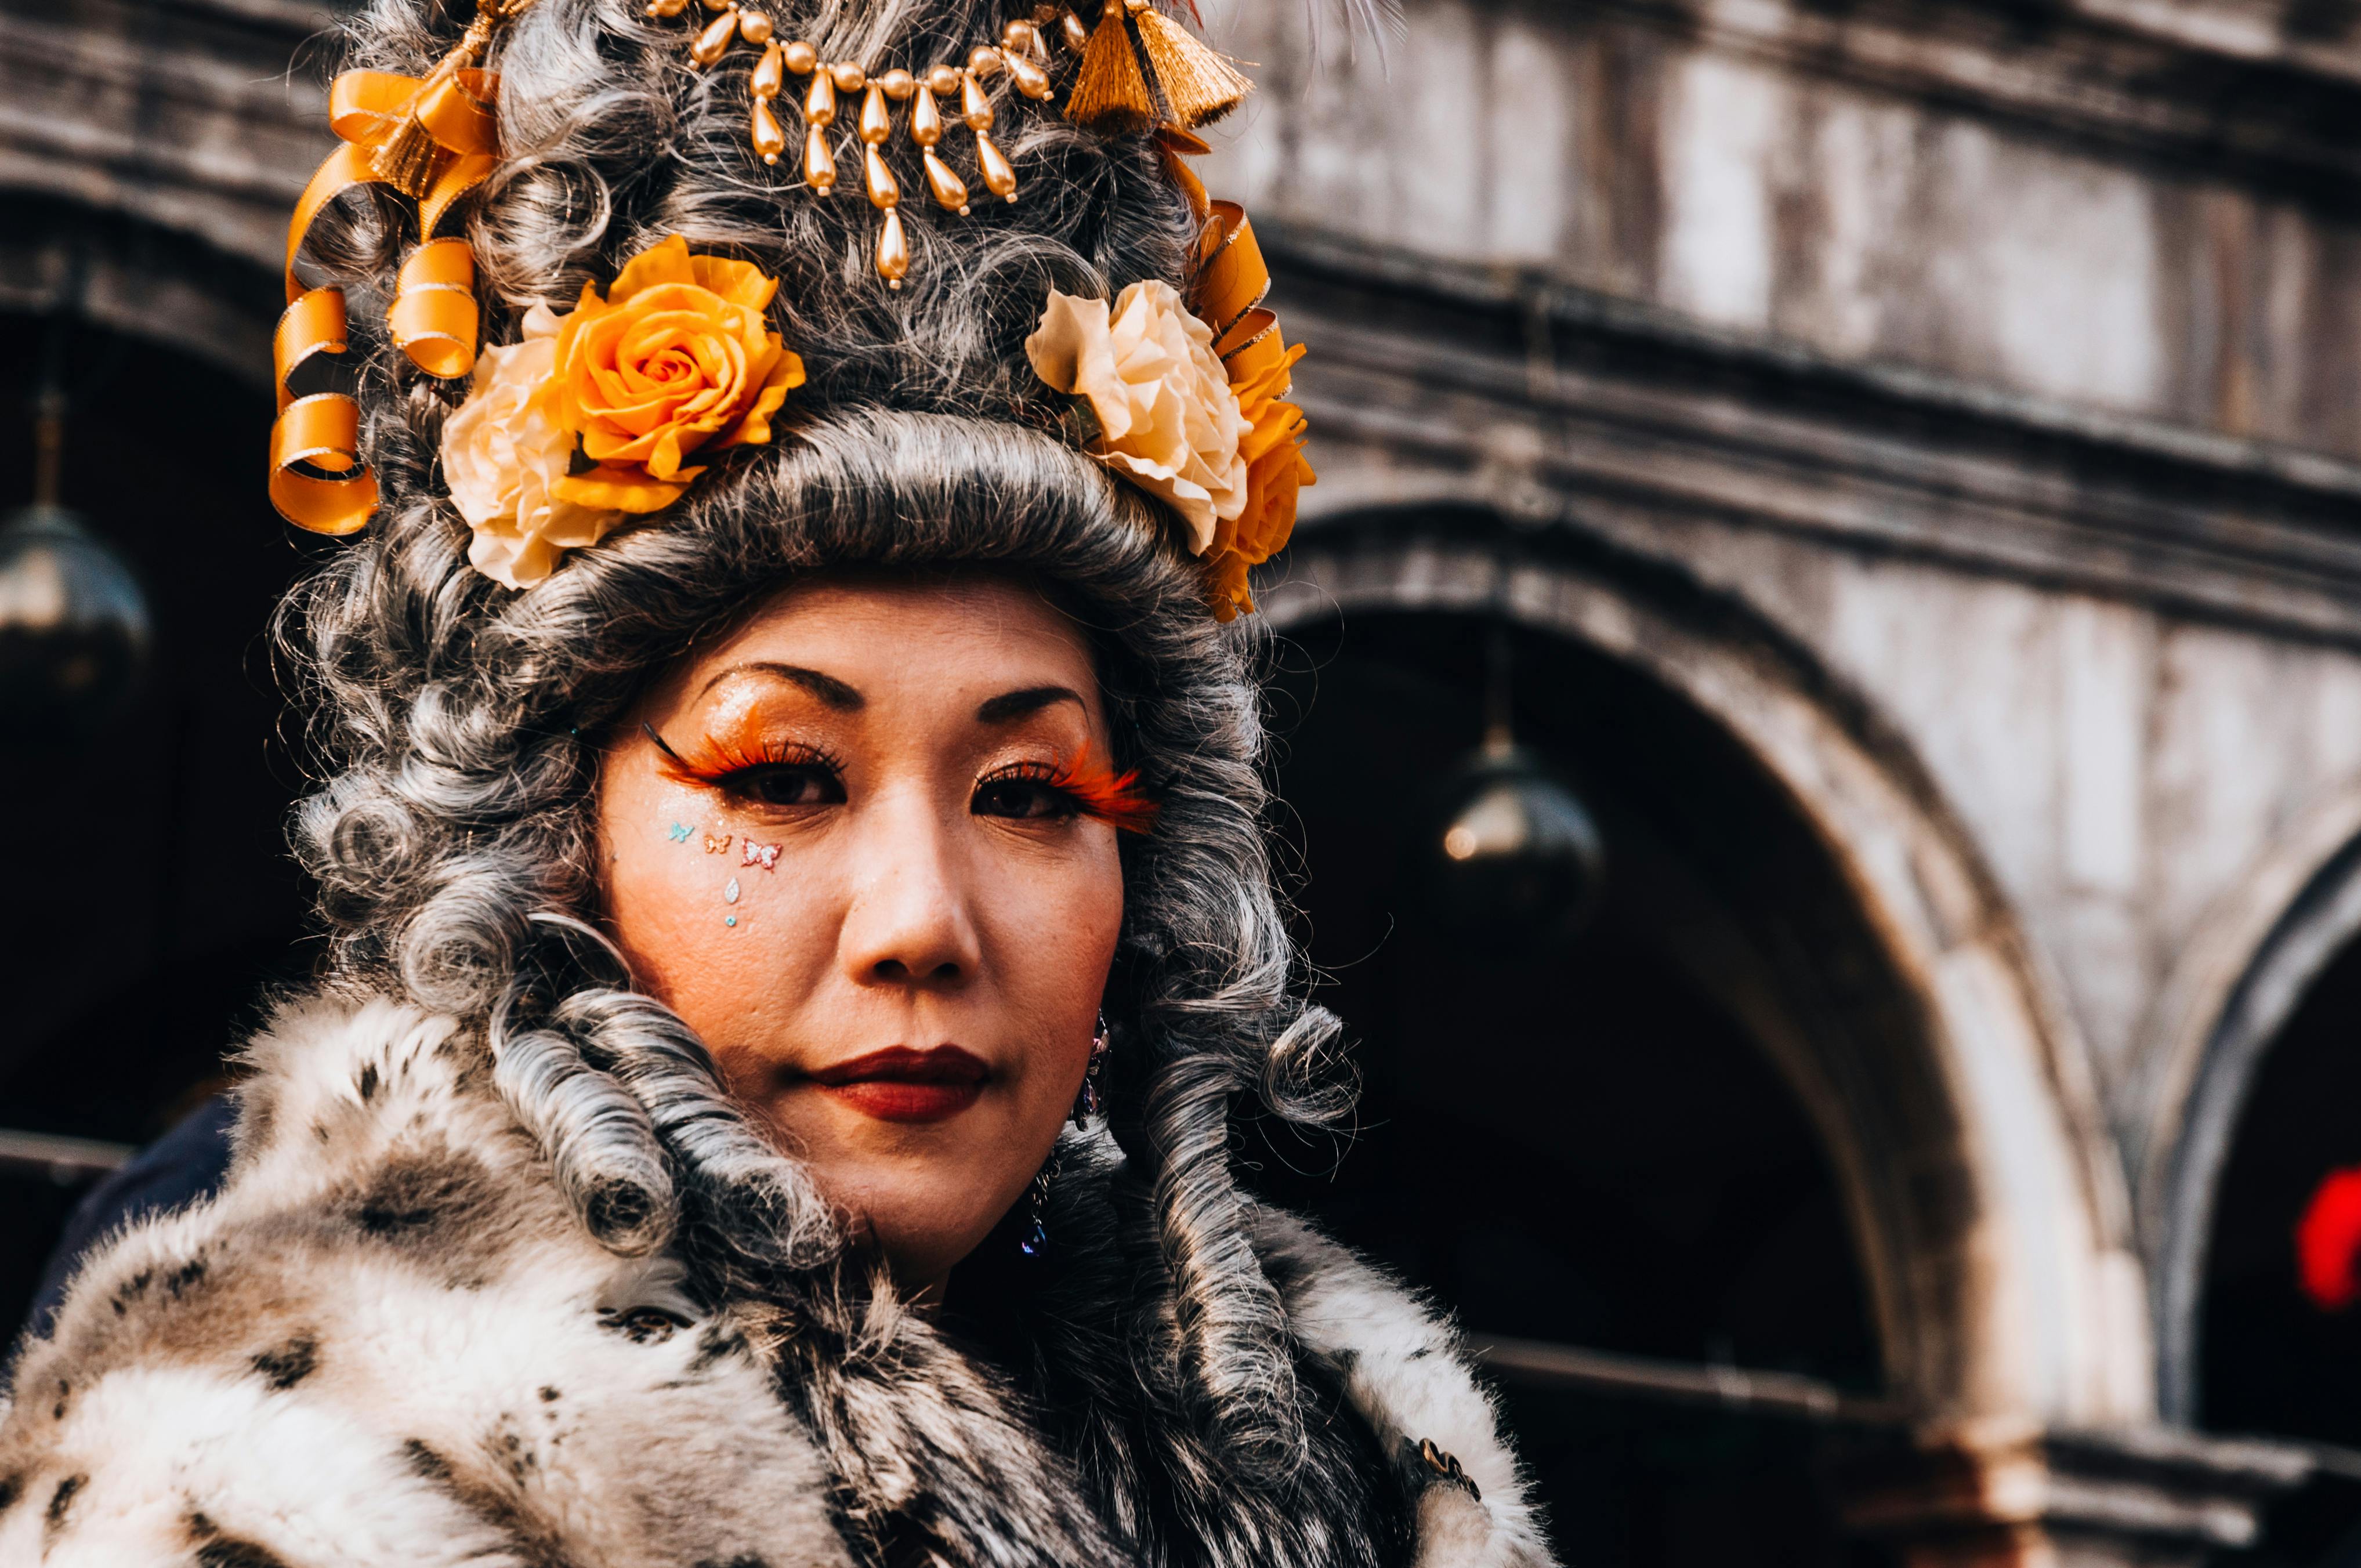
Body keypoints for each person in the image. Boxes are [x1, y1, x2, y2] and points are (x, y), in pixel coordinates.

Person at [0, 0, 1556, 1561]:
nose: (921, 923)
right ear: (553, 840)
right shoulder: (278, 1493)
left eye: (1030, 793)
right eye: (785, 778)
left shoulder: (1381, 1480)